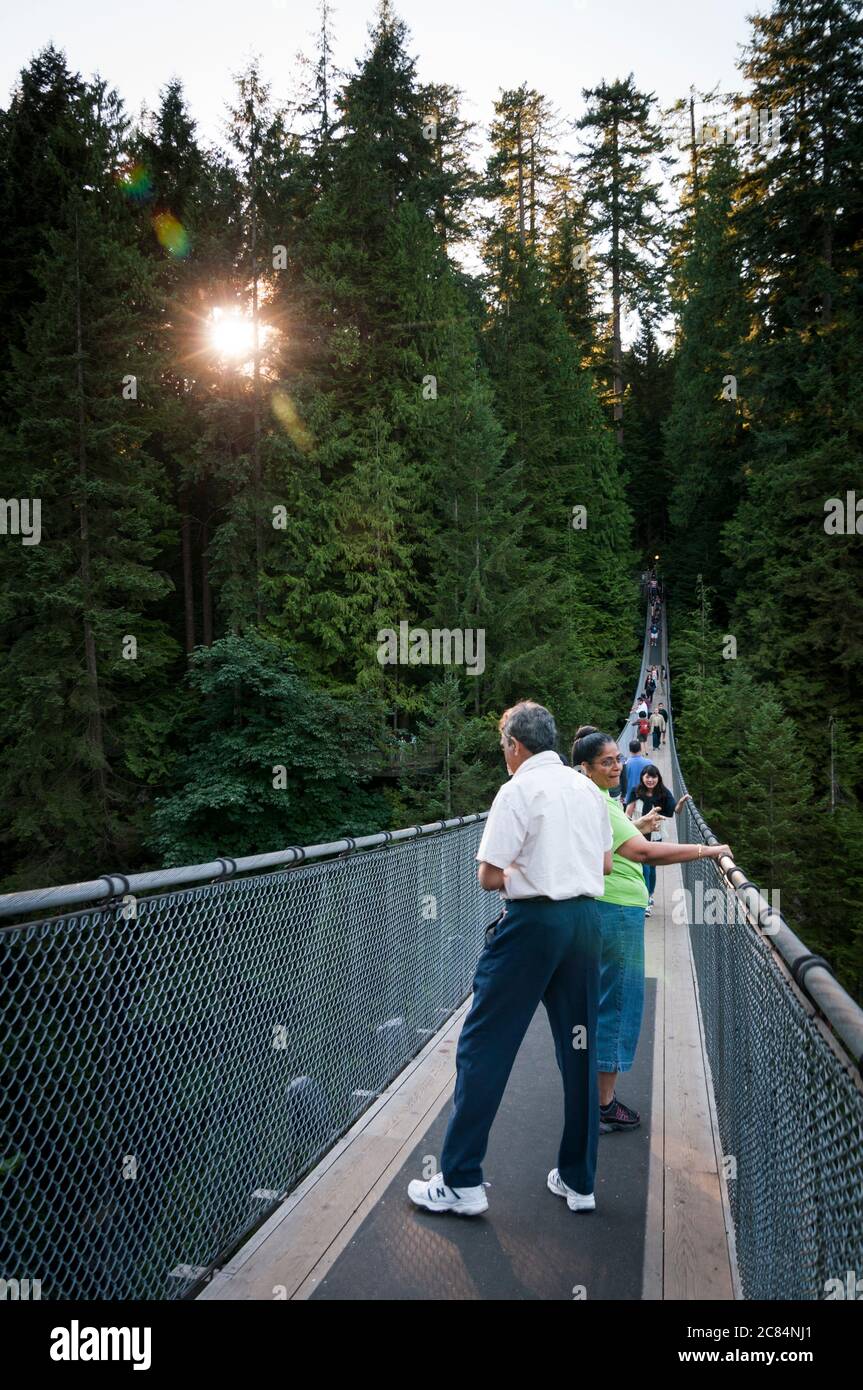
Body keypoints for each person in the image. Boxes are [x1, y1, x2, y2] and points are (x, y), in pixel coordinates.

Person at [408, 700, 613, 1217]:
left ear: (515, 746)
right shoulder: (588, 789)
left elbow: (488, 875)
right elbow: (606, 863)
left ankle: (461, 1181)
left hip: (531, 928)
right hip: (587, 924)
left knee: (485, 1045)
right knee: (581, 1049)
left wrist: (532, 877)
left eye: (504, 747)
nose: (505, 755)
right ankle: (579, 1180)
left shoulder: (517, 789)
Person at [571, 727, 730, 1132]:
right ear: (585, 768)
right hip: (617, 913)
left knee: (602, 1001)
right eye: (607, 762)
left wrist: (637, 824)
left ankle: (594, 1095)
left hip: (605, 910)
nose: (617, 767)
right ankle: (603, 1105)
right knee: (619, 1005)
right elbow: (642, 853)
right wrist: (705, 849)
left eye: (618, 759)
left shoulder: (594, 799)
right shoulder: (599, 802)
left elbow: (620, 841)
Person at [624, 765, 691, 913]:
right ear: (642, 777)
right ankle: (646, 899)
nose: (650, 780)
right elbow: (628, 812)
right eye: (647, 776)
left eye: (653, 777)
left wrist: (680, 803)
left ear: (658, 778)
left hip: (655, 834)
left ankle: (650, 894)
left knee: (652, 868)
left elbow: (675, 810)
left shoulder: (663, 793)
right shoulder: (636, 791)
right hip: (638, 833)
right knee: (645, 868)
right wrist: (625, 826)